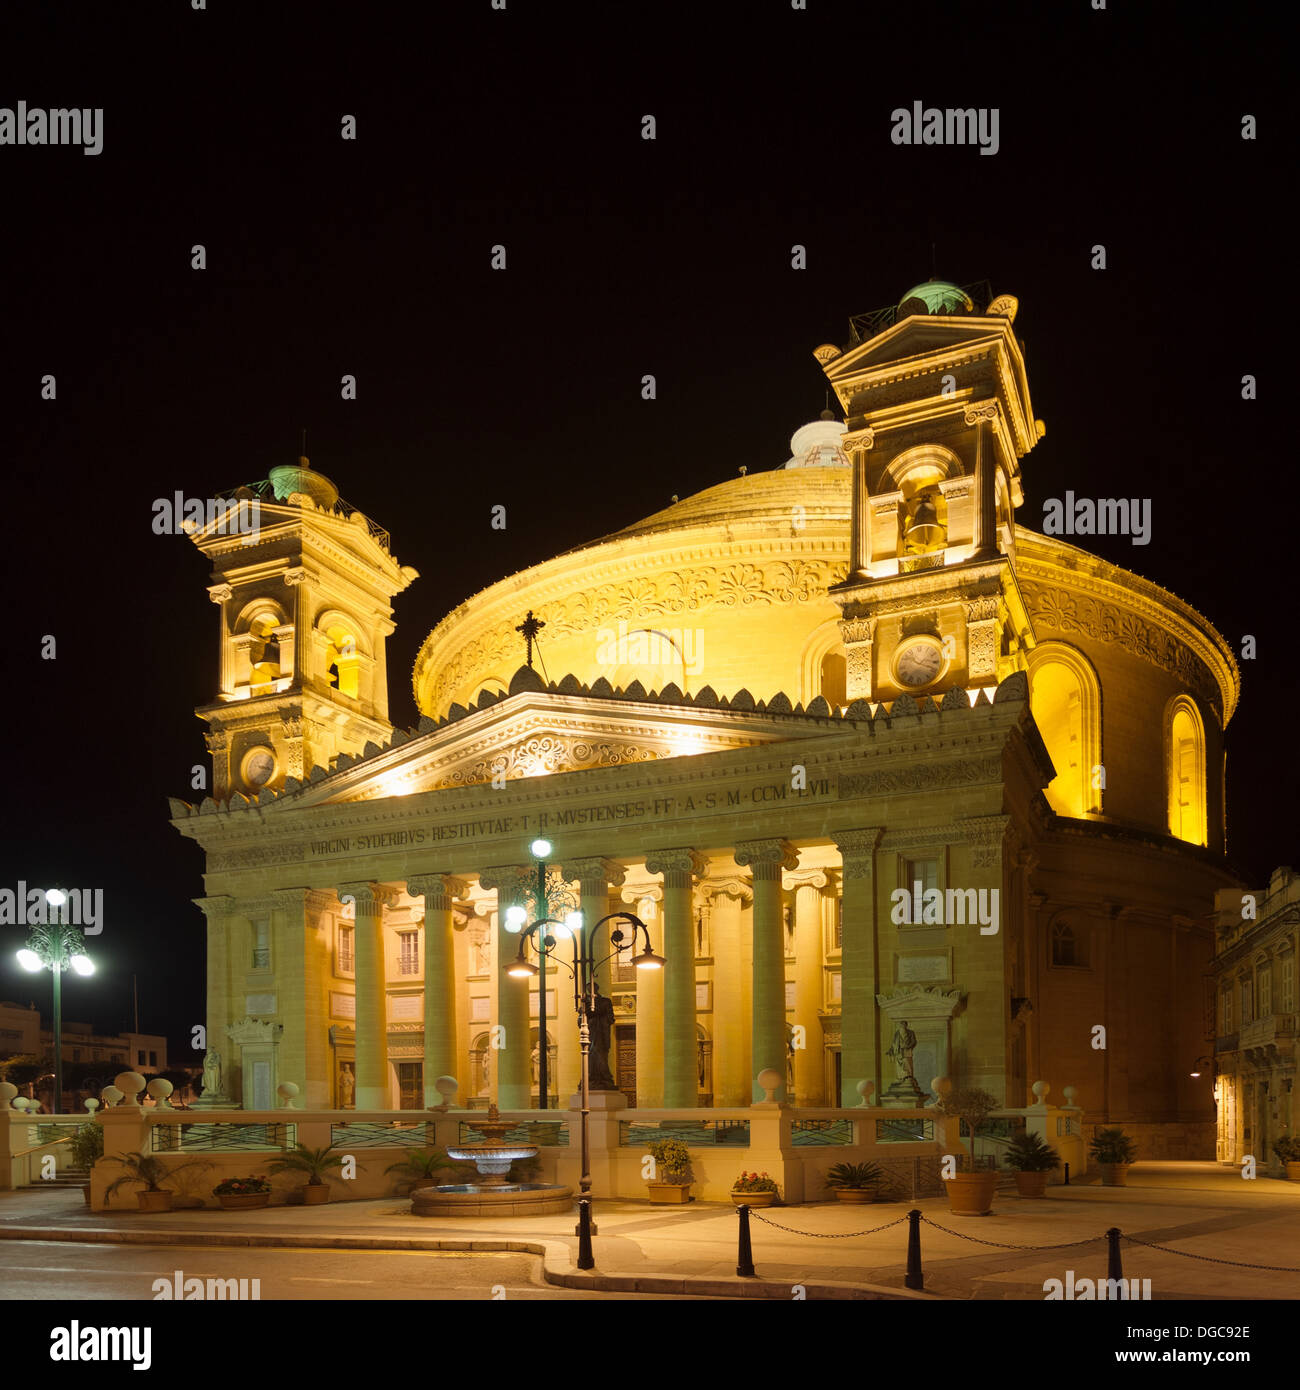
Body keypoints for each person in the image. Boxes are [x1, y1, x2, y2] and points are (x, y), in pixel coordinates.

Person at [586, 983, 618, 1090]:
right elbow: (581, 1019)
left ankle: (604, 1078)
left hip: (601, 1033)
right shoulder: (585, 1003)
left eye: (592, 988)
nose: (591, 990)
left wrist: (594, 1013)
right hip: (589, 1033)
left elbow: (611, 1018)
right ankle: (592, 1078)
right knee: (590, 1055)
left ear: (597, 988)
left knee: (601, 1054)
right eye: (588, 989)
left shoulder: (606, 1001)